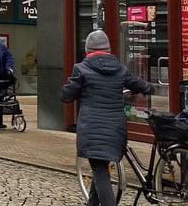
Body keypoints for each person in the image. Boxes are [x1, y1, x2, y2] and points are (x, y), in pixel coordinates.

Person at [62, 29, 155, 206]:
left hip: (92, 129)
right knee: (101, 166)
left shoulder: (81, 69)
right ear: (108, 49)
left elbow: (67, 95)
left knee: (99, 170)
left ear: (88, 49)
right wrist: (148, 88)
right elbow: (141, 85)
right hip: (115, 128)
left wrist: (70, 87)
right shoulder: (120, 69)